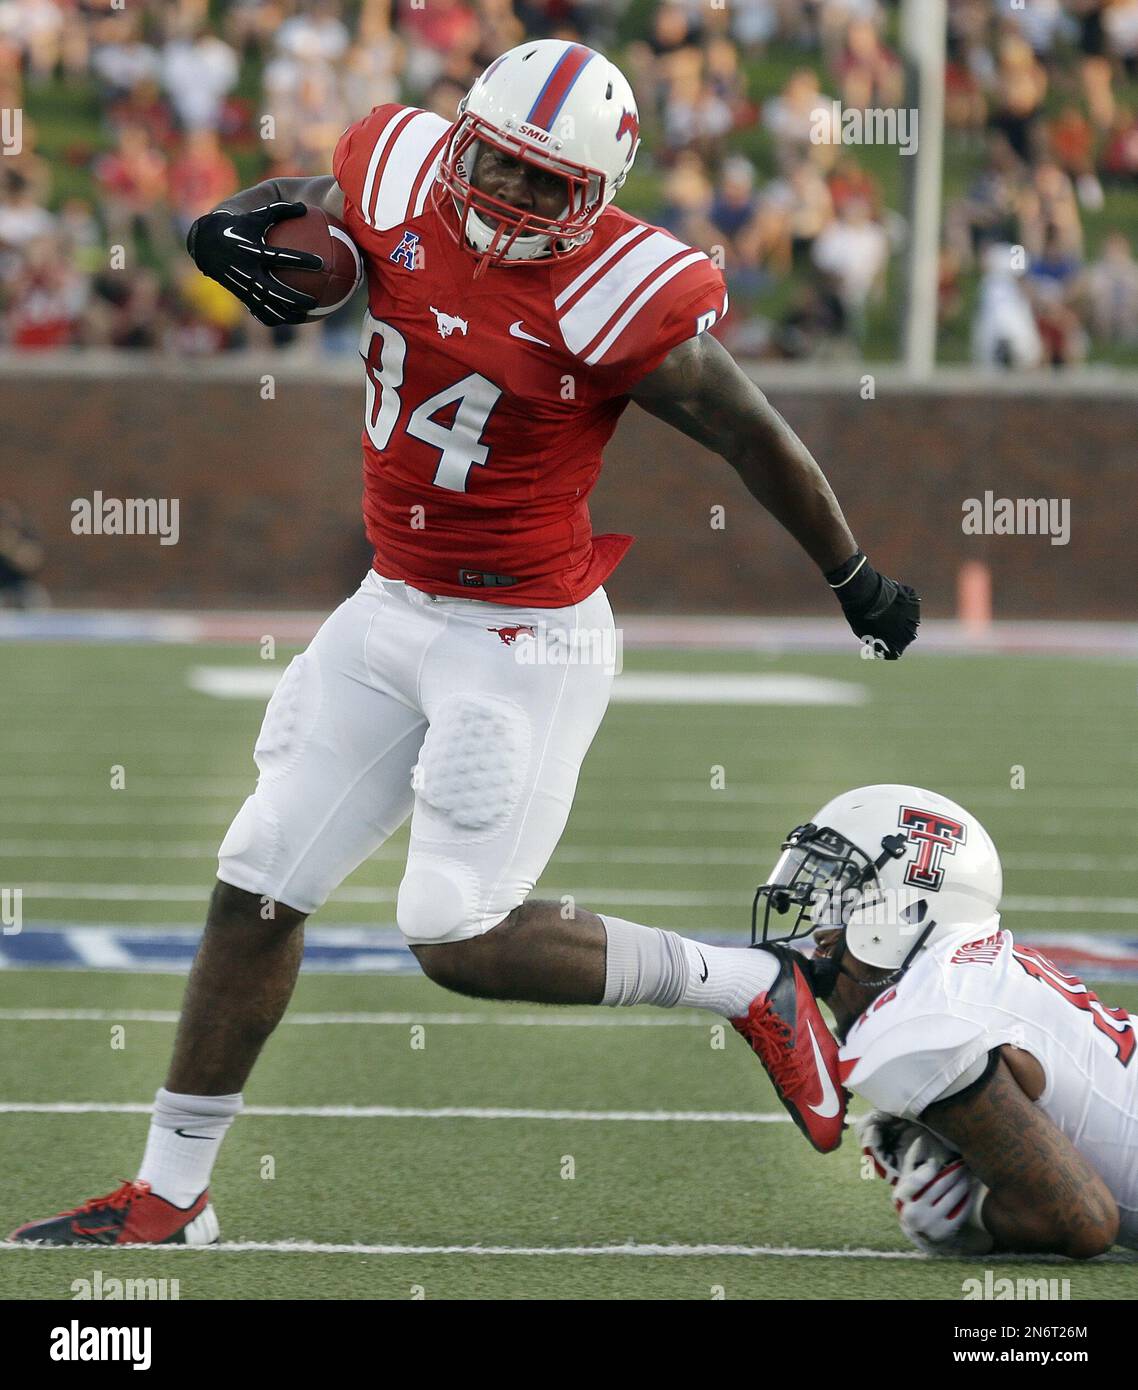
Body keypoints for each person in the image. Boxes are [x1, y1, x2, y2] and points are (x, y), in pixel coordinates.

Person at [9, 40, 919, 1247]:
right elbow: (327, 206)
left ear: (595, 196)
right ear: (464, 136)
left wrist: (852, 575)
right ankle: (172, 1192)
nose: (508, 197)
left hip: (521, 636)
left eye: (547, 186)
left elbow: (751, 438)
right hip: (391, 605)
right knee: (256, 881)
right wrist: (231, 218)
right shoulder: (397, 164)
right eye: (496, 163)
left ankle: (751, 985)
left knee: (455, 935)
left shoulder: (621, 293)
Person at [752, 784, 1136, 1256]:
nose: (818, 914)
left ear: (904, 901)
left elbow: (1084, 1221)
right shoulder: (961, 968)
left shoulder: (924, 1013)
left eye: (840, 891)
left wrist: (973, 1216)